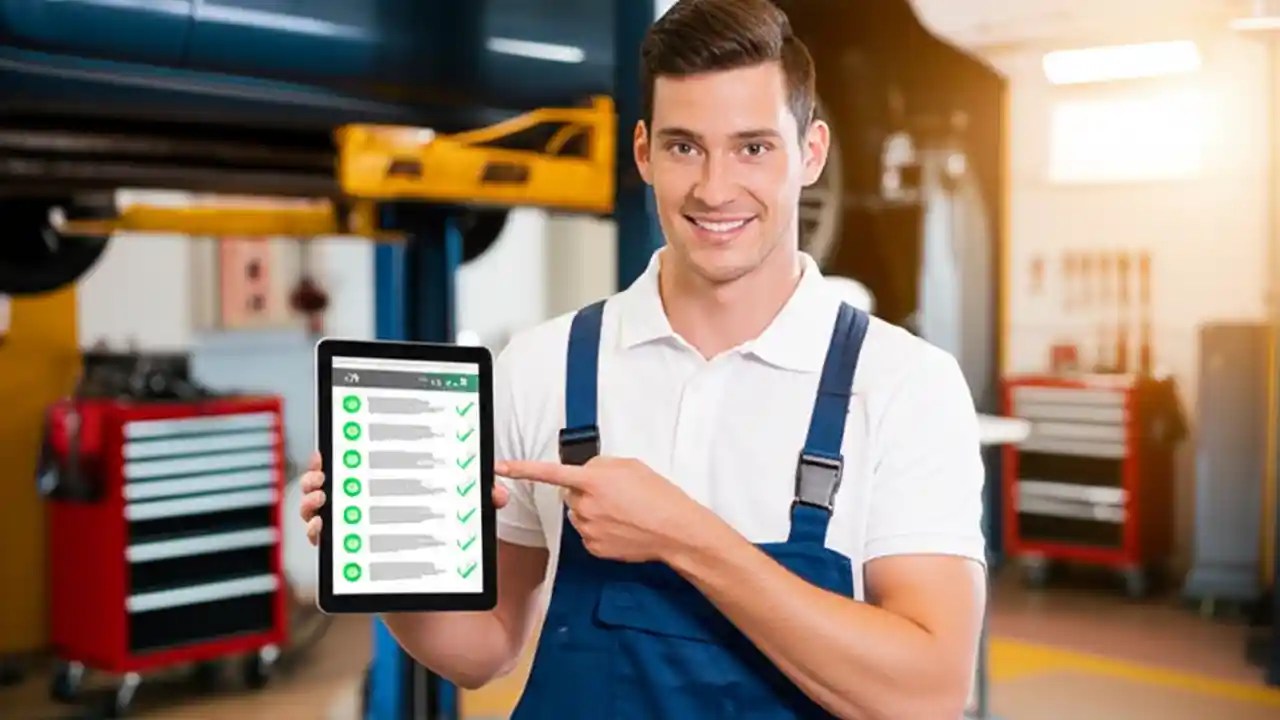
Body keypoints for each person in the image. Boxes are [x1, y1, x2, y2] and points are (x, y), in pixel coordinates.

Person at [300, 0, 987, 717]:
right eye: (685, 146)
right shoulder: (544, 365)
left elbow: (929, 693)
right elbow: (487, 649)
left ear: (810, 153)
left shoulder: (905, 384)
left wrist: (685, 536)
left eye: (753, 147)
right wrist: (382, 569)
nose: (715, 188)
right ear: (644, 152)